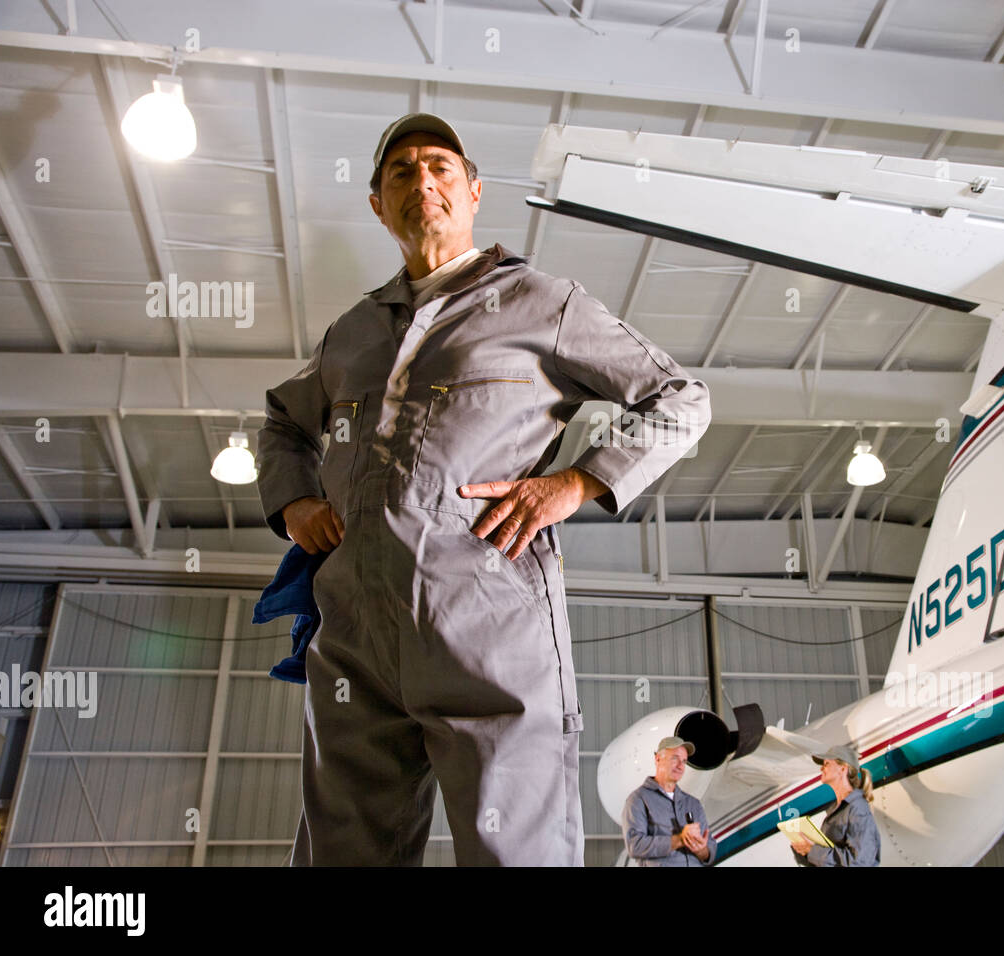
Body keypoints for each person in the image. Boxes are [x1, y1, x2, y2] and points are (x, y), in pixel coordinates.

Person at [256, 113, 711, 866]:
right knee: (342, 854)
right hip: (356, 641)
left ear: (473, 191)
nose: (420, 182)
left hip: (489, 625)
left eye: (438, 166)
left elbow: (681, 399)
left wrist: (574, 482)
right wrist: (294, 502)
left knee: (515, 853)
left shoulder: (541, 302)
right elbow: (282, 421)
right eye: (399, 171)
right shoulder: (350, 335)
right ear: (377, 204)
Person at [621, 736, 717, 866]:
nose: (680, 766)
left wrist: (702, 850)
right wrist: (679, 840)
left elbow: (709, 852)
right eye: (675, 758)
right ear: (658, 758)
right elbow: (635, 845)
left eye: (684, 761)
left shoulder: (693, 803)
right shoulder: (638, 800)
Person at [787, 744, 880, 866]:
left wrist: (813, 851)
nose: (821, 769)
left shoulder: (858, 809)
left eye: (826, 764)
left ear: (843, 769)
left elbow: (862, 862)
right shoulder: (835, 812)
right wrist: (803, 852)